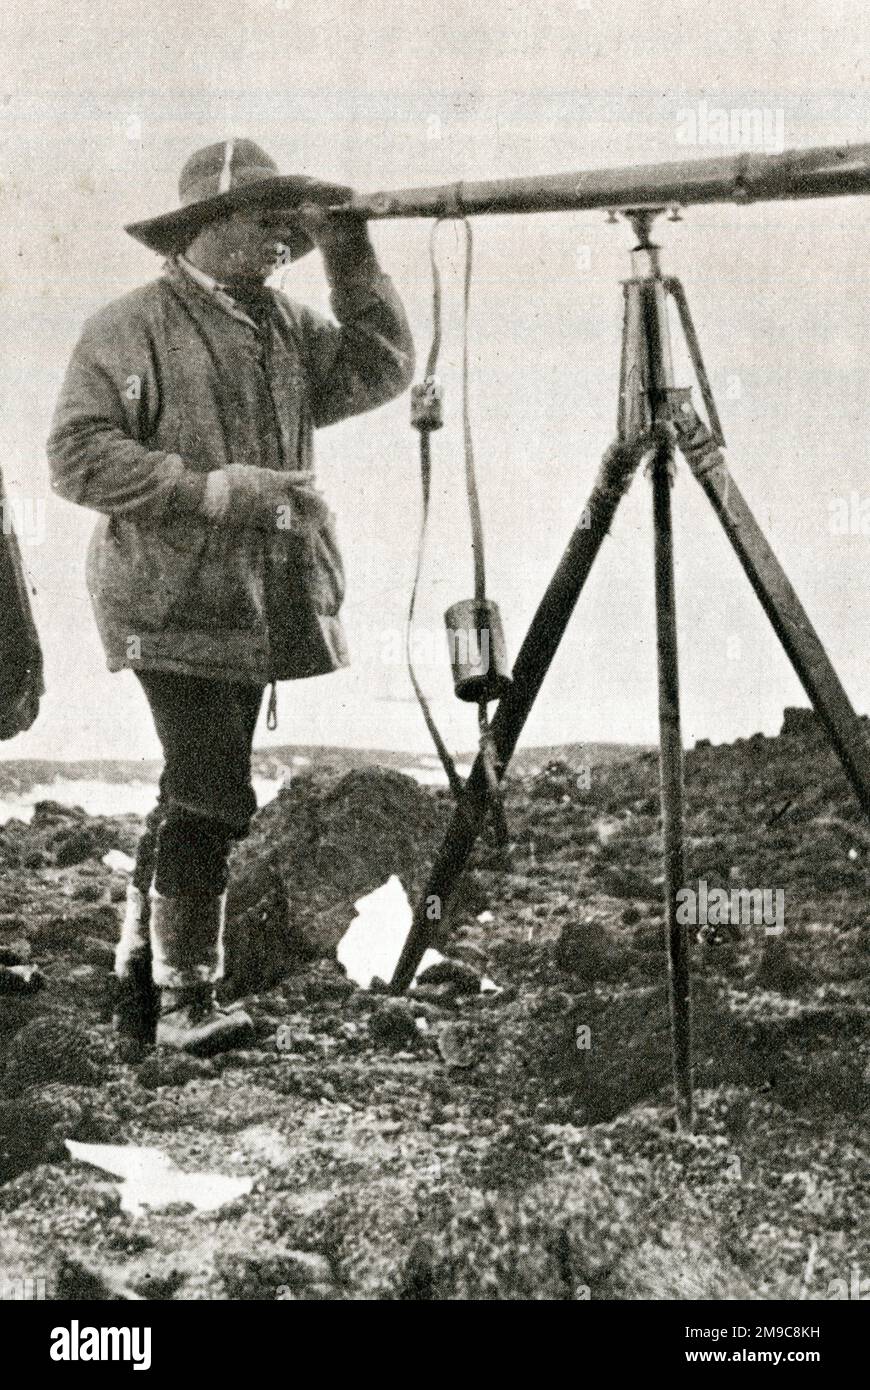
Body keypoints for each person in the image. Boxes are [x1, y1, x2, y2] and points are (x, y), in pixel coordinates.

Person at [47, 138, 415, 1054]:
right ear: (205, 228)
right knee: (211, 789)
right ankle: (183, 1005)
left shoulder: (285, 327)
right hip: (166, 598)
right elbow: (77, 455)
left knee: (191, 787)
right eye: (267, 221)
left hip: (248, 604)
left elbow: (382, 365)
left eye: (294, 225)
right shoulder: (128, 327)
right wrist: (215, 490)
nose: (283, 240)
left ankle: (141, 990)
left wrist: (350, 251)